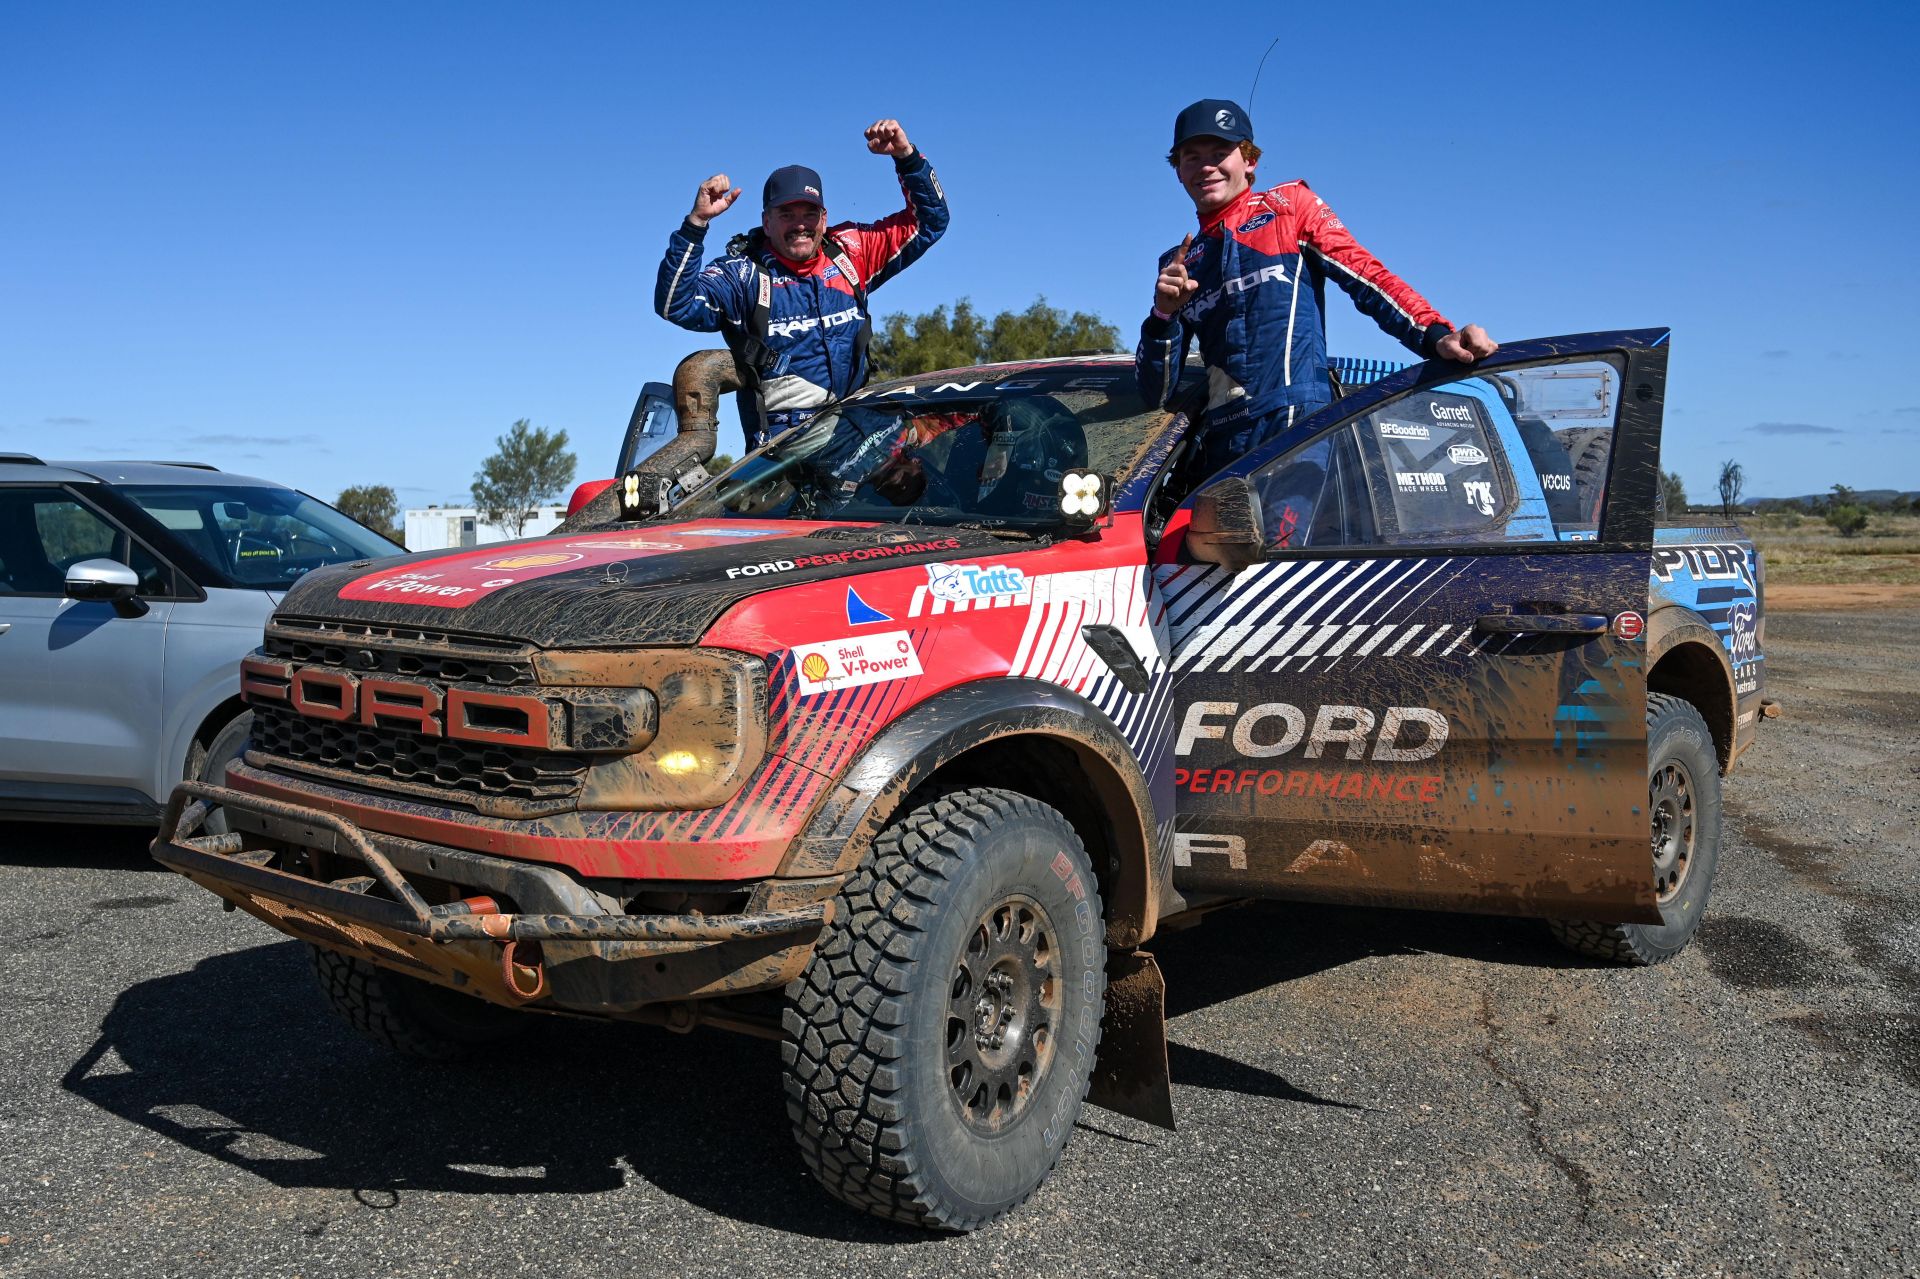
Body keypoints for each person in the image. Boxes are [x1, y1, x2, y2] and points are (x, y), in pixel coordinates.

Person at [1136, 99, 1497, 477]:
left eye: (1220, 152)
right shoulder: (1179, 262)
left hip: (1297, 431)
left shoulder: (1288, 207)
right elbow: (1155, 396)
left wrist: (1436, 335)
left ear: (1249, 159)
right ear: (1177, 170)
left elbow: (1368, 277)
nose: (1206, 166)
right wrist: (1163, 315)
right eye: (1191, 157)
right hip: (1220, 442)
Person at [655, 119, 949, 450]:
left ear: (824, 218)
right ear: (766, 222)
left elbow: (931, 221)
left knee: (943, 442)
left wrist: (906, 157)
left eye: (809, 213)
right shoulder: (742, 275)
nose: (800, 225)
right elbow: (674, 305)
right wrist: (697, 224)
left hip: (858, 429)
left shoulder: (851, 251)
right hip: (784, 455)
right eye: (786, 214)